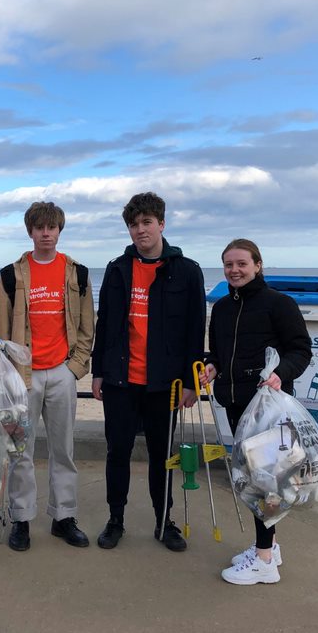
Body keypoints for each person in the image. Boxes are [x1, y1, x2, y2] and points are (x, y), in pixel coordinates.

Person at [91, 192, 206, 552]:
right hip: (120, 380)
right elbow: (105, 324)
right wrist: (98, 371)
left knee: (161, 456)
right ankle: (116, 519)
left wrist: (191, 382)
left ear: (161, 224)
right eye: (133, 224)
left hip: (165, 383)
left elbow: (194, 329)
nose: (140, 230)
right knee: (117, 452)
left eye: (146, 222)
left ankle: (163, 521)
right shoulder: (117, 269)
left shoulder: (187, 271)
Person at [203, 238, 313, 585]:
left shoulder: (279, 304)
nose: (234, 270)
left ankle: (264, 561)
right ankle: (269, 547)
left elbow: (301, 350)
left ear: (257, 265)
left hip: (268, 409)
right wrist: (213, 368)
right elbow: (218, 354)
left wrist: (281, 374)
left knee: (265, 481)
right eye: (229, 264)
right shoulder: (221, 308)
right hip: (236, 404)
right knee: (252, 477)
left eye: (242, 264)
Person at [0, 201, 95, 552]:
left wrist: (75, 368)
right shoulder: (11, 275)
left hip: (62, 373)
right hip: (23, 376)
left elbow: (87, 327)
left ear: (59, 230)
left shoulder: (78, 273)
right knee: (20, 450)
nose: (46, 234)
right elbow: (0, 332)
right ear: (30, 231)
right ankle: (21, 519)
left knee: (63, 449)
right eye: (40, 228)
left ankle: (63, 517)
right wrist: (6, 374)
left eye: (52, 227)